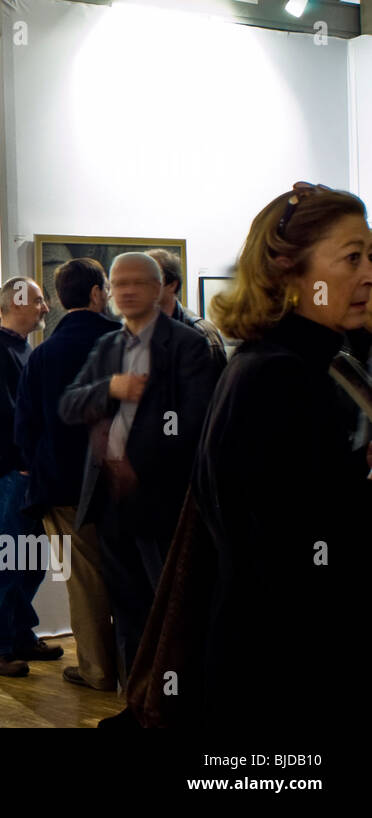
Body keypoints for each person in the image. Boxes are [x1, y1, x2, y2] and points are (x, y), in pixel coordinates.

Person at [193, 183, 372, 726]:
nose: (367, 273)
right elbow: (290, 544)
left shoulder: (327, 359)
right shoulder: (277, 374)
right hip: (286, 667)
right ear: (289, 270)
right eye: (352, 258)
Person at [58, 253, 216, 681]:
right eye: (118, 284)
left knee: (168, 610)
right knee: (125, 607)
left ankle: (170, 702)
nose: (126, 292)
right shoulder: (107, 346)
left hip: (161, 501)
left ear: (159, 287)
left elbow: (196, 424)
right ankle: (133, 699)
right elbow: (70, 405)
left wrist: (141, 451)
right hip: (112, 502)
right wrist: (111, 387)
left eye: (137, 283)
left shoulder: (187, 344)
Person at [14, 258, 120, 691]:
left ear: (60, 299)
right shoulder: (122, 343)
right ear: (97, 294)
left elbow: (26, 426)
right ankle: (137, 668)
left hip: (61, 485)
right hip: (123, 481)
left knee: (86, 582)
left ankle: (97, 668)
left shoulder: (43, 354)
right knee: (132, 575)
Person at [0, 277, 57, 677]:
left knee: (33, 560)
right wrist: (18, 463)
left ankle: (19, 634)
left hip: (23, 473)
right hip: (10, 474)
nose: (45, 308)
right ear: (17, 303)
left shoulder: (21, 349)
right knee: (6, 561)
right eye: (39, 301)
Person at [146, 249, 228, 371]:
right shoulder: (137, 330)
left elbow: (216, 386)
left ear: (172, 284)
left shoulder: (200, 332)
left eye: (149, 279)